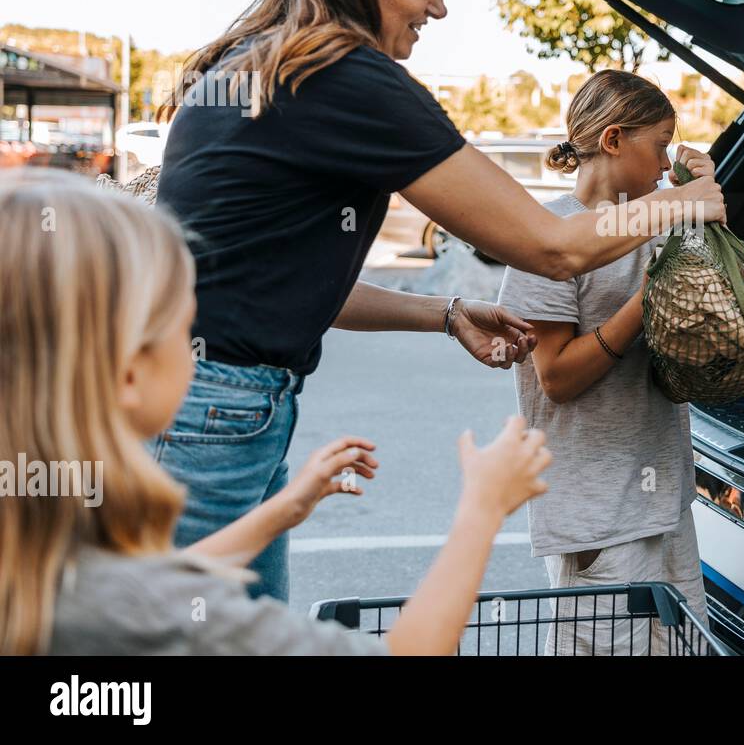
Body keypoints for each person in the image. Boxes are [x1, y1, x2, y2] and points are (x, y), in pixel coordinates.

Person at [153, 0, 724, 601]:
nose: (440, 5)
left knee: (231, 633)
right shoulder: (347, 79)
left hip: (200, 403)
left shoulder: (260, 66)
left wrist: (446, 313)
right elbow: (554, 248)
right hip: (216, 414)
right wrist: (687, 204)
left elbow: (284, 287)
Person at [0, 168, 551, 655]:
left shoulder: (49, 558)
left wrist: (285, 509)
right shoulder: (131, 610)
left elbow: (156, 583)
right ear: (126, 373)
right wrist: (483, 505)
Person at [496, 70, 709, 655]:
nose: (667, 166)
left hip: (666, 503)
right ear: (613, 139)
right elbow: (556, 377)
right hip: (598, 519)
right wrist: (646, 303)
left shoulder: (652, 224)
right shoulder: (549, 239)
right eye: (660, 144)